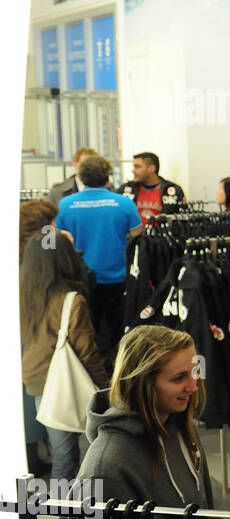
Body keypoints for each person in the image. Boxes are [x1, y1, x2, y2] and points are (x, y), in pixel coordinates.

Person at [78, 325, 214, 519]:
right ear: (142, 383)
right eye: (179, 378)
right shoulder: (105, 469)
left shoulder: (182, 427)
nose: (193, 387)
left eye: (194, 373)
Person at [21, 235, 109, 481]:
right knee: (83, 458)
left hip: (39, 383)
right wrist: (106, 389)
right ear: (65, 260)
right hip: (67, 385)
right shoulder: (71, 300)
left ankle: (66, 516)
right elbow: (87, 352)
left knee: (63, 457)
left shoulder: (25, 298)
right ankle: (74, 517)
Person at [56, 155, 142, 367]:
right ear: (107, 176)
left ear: (81, 176)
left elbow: (52, 242)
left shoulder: (65, 205)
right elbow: (138, 237)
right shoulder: (124, 203)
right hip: (117, 278)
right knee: (116, 333)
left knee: (84, 332)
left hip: (80, 281)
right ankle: (117, 373)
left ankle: (90, 376)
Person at [119, 151, 187, 221]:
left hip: (163, 231)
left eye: (137, 167)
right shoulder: (125, 190)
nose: (133, 170)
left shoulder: (173, 190)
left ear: (151, 168)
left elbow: (183, 218)